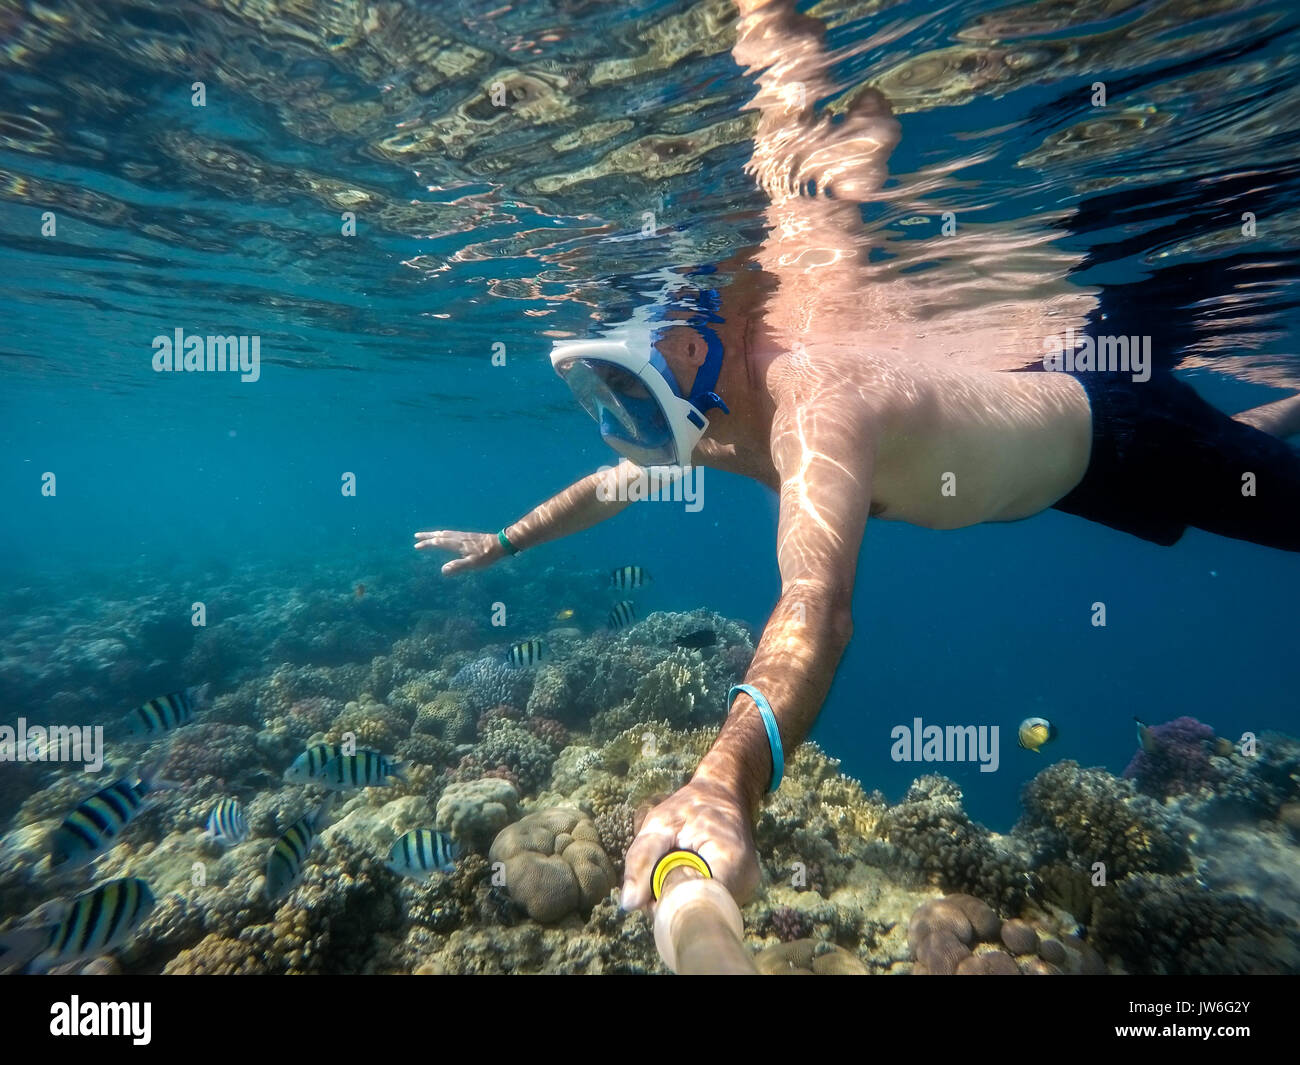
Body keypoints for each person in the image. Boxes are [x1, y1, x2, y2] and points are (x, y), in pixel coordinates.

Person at [416, 0, 1300, 914]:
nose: (627, 414)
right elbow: (616, 481)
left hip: (1123, 435)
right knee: (1230, 462)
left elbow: (816, 609)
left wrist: (725, 783)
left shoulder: (814, 397)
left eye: (631, 387)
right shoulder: (710, 415)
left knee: (1227, 475)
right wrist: (507, 539)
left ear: (683, 346)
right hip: (1071, 476)